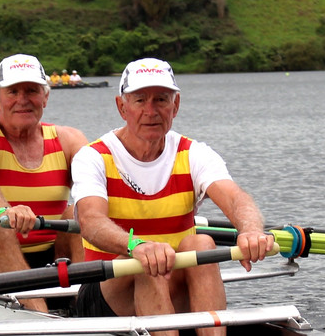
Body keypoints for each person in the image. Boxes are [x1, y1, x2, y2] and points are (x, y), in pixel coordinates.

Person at [71, 58, 275, 335]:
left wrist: (251, 230)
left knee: (201, 243)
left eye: (161, 100)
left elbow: (235, 197)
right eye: (140, 100)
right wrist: (136, 244)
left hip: (170, 283)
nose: (151, 111)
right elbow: (91, 221)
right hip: (107, 293)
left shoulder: (194, 153)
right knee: (144, 263)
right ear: (122, 107)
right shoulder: (93, 156)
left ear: (175, 106)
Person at [0, 54, 87, 312]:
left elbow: (99, 186)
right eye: (13, 92)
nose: (22, 100)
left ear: (45, 97)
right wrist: (6, 210)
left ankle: (87, 303)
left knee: (79, 212)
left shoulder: (69, 138)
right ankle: (40, 318)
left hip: (53, 257)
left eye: (31, 91)